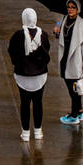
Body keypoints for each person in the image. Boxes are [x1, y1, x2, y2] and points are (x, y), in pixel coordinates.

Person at [8, 8, 51, 141]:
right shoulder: (43, 34)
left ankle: (25, 133)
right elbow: (47, 52)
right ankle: (38, 131)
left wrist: (17, 63)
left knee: (25, 103)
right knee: (38, 103)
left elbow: (11, 52)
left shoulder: (18, 35)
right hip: (40, 76)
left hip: (22, 75)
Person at [54, 0, 83, 125]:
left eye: (73, 7)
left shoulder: (82, 25)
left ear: (77, 9)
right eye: (68, 6)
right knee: (73, 88)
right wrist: (57, 30)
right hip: (65, 58)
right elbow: (61, 35)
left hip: (76, 61)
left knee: (74, 89)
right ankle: (79, 111)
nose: (70, 9)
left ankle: (74, 115)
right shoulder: (64, 20)